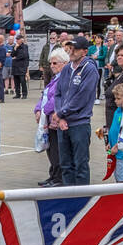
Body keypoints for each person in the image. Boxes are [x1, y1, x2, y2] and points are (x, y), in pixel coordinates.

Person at [51, 35, 99, 185]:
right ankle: (68, 196)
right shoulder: (66, 69)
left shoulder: (89, 69)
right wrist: (60, 116)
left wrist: (61, 113)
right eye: (70, 47)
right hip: (63, 123)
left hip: (79, 123)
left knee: (80, 165)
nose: (71, 51)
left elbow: (82, 98)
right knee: (65, 164)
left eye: (75, 48)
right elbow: (58, 93)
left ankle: (82, 199)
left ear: (84, 52)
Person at [36, 48, 67, 187]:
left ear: (64, 63)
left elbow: (55, 99)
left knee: (56, 151)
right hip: (48, 119)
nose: (52, 66)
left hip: (55, 119)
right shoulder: (55, 78)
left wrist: (43, 110)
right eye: (51, 63)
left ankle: (58, 178)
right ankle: (52, 175)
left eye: (55, 63)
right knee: (50, 149)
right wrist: (37, 109)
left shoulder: (64, 78)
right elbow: (45, 94)